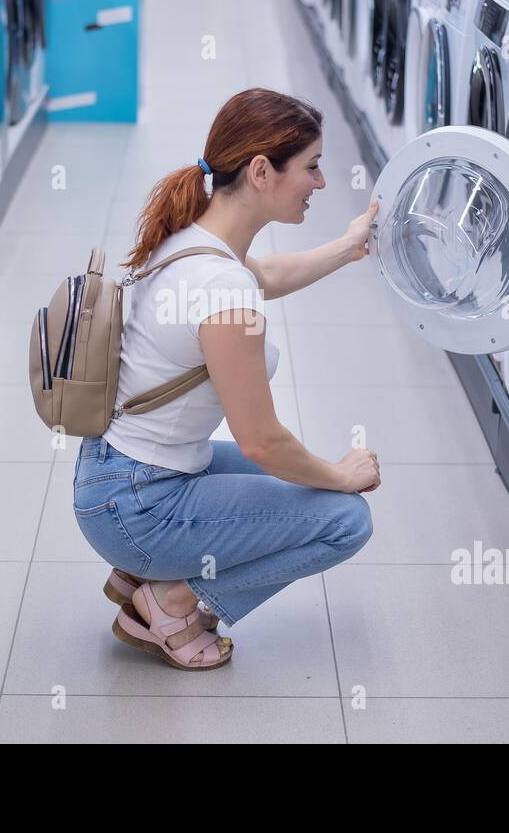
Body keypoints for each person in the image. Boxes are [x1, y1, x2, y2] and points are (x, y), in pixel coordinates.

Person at [74, 88, 381, 671]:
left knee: (306, 486)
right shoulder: (224, 290)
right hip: (139, 506)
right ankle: (170, 597)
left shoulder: (191, 239)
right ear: (262, 171)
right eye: (311, 166)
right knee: (344, 520)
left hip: (115, 476)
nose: (320, 183)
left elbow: (263, 273)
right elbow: (260, 441)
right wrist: (341, 475)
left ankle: (144, 573)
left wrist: (348, 246)